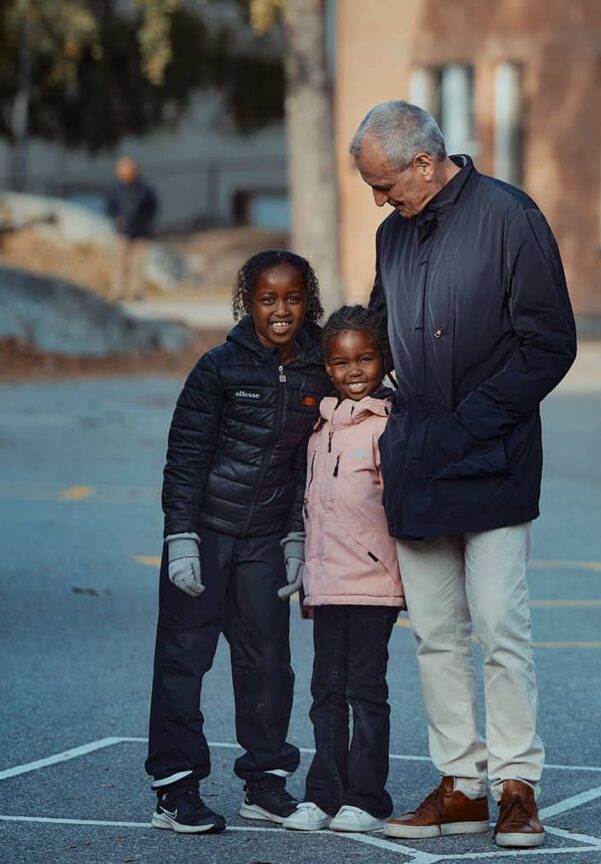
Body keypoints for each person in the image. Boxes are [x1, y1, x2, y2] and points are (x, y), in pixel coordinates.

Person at [350, 100, 577, 849]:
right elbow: (378, 339)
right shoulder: (392, 236)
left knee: (502, 629)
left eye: (384, 184)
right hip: (417, 460)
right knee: (436, 636)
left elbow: (549, 344)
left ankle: (517, 785)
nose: (378, 200)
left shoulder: (511, 217)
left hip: (493, 459)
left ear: (423, 161)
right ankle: (460, 784)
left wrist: (469, 425)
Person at [147, 249, 328, 834]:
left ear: (309, 301)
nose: (281, 310)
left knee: (269, 666)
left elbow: (311, 463)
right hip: (207, 533)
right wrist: (180, 537)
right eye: (268, 299)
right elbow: (186, 458)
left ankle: (265, 784)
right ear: (247, 302)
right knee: (183, 662)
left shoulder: (318, 369)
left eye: (293, 298)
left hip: (267, 540)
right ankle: (176, 791)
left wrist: (297, 536)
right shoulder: (218, 368)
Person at [280, 306, 404, 835]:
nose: (355, 371)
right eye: (341, 361)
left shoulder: (388, 425)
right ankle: (323, 793)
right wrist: (307, 576)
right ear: (327, 366)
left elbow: (400, 506)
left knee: (365, 692)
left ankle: (368, 797)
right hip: (326, 584)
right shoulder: (319, 428)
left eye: (366, 358)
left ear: (382, 360)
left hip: (374, 584)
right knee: (325, 692)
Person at [105, 156, 158, 302]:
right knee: (120, 264)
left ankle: (137, 292)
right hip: (122, 232)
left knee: (138, 265)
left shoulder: (144, 189)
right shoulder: (116, 190)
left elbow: (152, 208)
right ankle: (118, 292)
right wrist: (117, 219)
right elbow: (110, 208)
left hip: (140, 232)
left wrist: (146, 222)